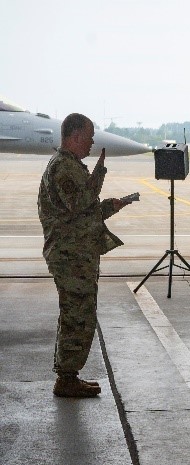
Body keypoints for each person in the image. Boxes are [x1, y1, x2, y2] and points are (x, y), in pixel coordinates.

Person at [38, 113, 131, 397]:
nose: (92, 143)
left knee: (75, 313)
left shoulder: (70, 167)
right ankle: (66, 378)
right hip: (70, 257)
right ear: (75, 136)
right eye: (89, 137)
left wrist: (112, 206)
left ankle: (68, 374)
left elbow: (83, 213)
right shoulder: (63, 168)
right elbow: (80, 202)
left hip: (77, 255)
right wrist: (99, 172)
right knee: (77, 315)